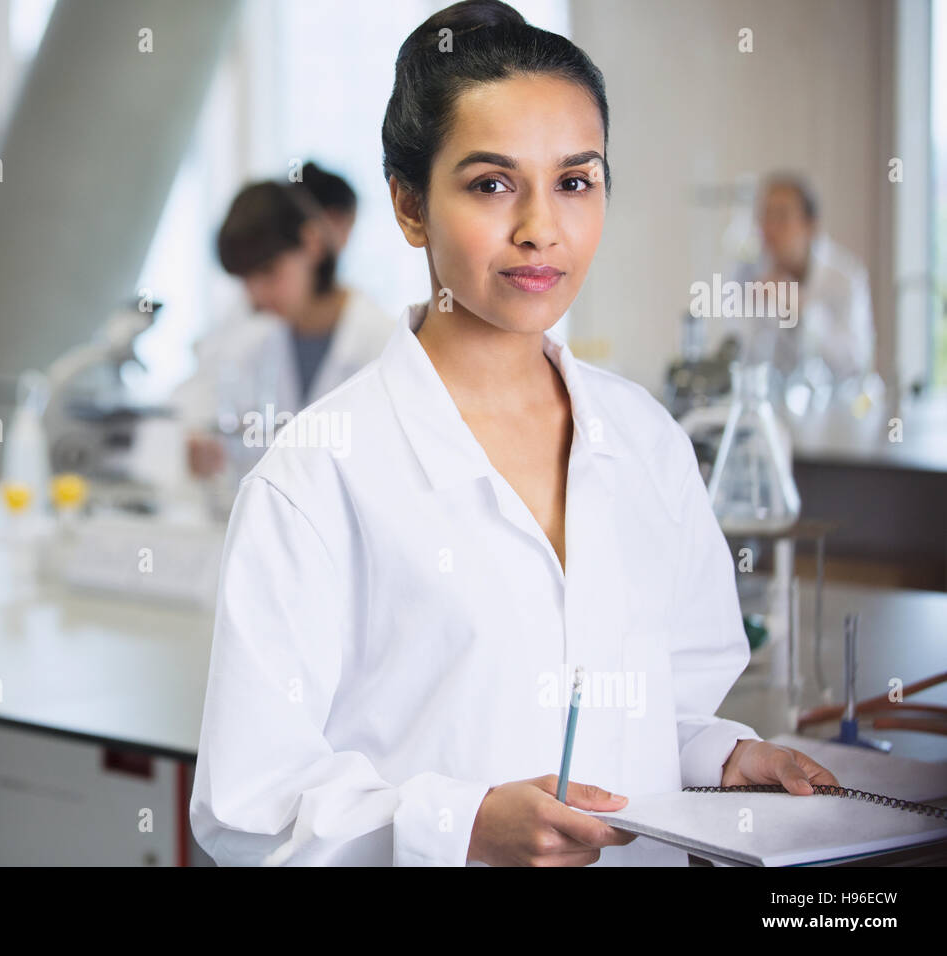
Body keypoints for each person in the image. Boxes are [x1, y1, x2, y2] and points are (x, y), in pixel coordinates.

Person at [190, 1, 837, 867]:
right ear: (410, 205)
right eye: (492, 184)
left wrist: (719, 758)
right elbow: (247, 811)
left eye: (575, 181)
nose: (541, 226)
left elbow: (659, 709)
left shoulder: (646, 441)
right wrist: (460, 828)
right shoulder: (315, 477)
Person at [174, 177, 394, 480]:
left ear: (312, 243)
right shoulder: (251, 342)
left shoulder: (382, 343)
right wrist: (200, 445)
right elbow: (195, 408)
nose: (257, 294)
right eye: (246, 279)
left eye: (268, 272)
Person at [732, 174, 875, 384]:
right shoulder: (747, 274)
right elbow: (740, 355)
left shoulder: (845, 278)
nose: (769, 228)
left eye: (781, 216)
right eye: (765, 215)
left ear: (810, 225)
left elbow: (856, 363)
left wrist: (802, 310)